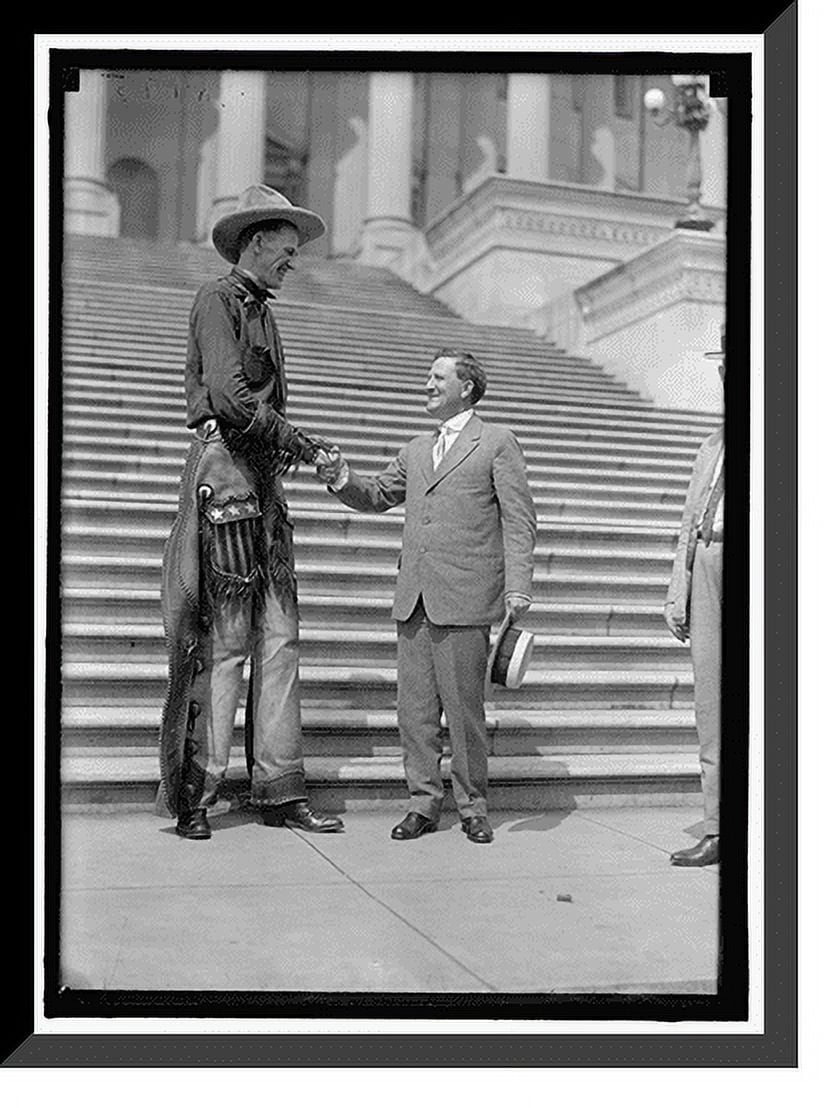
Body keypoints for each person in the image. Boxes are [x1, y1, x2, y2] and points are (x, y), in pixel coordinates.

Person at [157, 185, 344, 840]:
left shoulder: (265, 311)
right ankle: (196, 796)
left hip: (262, 485)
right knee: (227, 641)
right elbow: (232, 400)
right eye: (286, 252)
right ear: (257, 242)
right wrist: (297, 440)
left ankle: (280, 789)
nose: (293, 263)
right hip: (227, 484)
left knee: (281, 638)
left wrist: (288, 446)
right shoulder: (217, 300)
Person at [316, 350, 536, 844]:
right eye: (428, 376)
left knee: (464, 714)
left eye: (438, 377)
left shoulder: (497, 442)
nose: (428, 384)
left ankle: (473, 806)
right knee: (414, 713)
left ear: (467, 388)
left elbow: (519, 519)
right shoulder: (416, 449)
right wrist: (340, 477)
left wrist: (518, 584)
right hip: (414, 597)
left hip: (467, 597)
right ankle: (422, 803)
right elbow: (375, 496)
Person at [664, 325, 726, 867]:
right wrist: (676, 589)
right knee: (712, 704)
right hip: (707, 563)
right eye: (726, 365)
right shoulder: (712, 445)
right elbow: (689, 524)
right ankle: (718, 828)